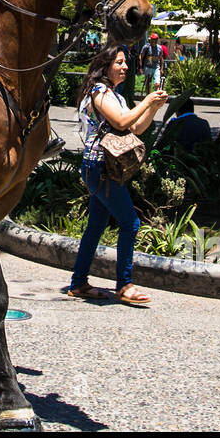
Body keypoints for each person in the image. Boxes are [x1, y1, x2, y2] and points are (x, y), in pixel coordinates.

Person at [63, 44, 169, 306]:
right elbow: (121, 122)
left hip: (104, 168)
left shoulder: (115, 95)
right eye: (118, 63)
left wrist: (153, 107)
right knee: (131, 223)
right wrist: (145, 101)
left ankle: (78, 283)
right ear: (105, 65)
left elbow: (135, 127)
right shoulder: (98, 92)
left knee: (96, 226)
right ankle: (124, 285)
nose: (124, 67)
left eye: (125, 63)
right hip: (99, 167)